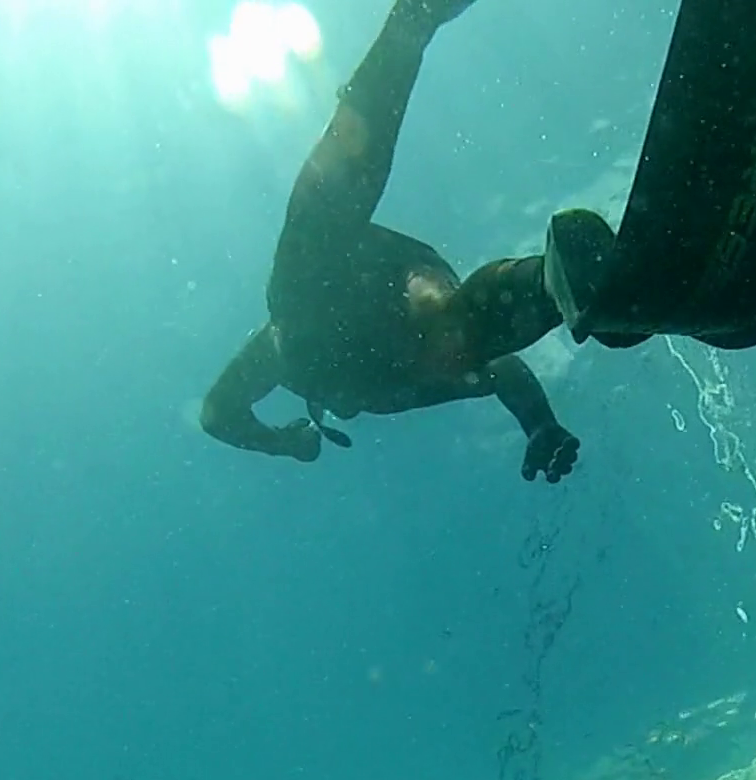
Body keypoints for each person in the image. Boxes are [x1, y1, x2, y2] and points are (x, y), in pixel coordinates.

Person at [199, 0, 591, 483]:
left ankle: (409, 26)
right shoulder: (384, 388)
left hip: (363, 280)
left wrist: (284, 443)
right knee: (448, 332)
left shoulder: (290, 352)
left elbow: (218, 413)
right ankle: (556, 282)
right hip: (399, 287)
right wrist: (539, 425)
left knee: (319, 246)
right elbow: (499, 369)